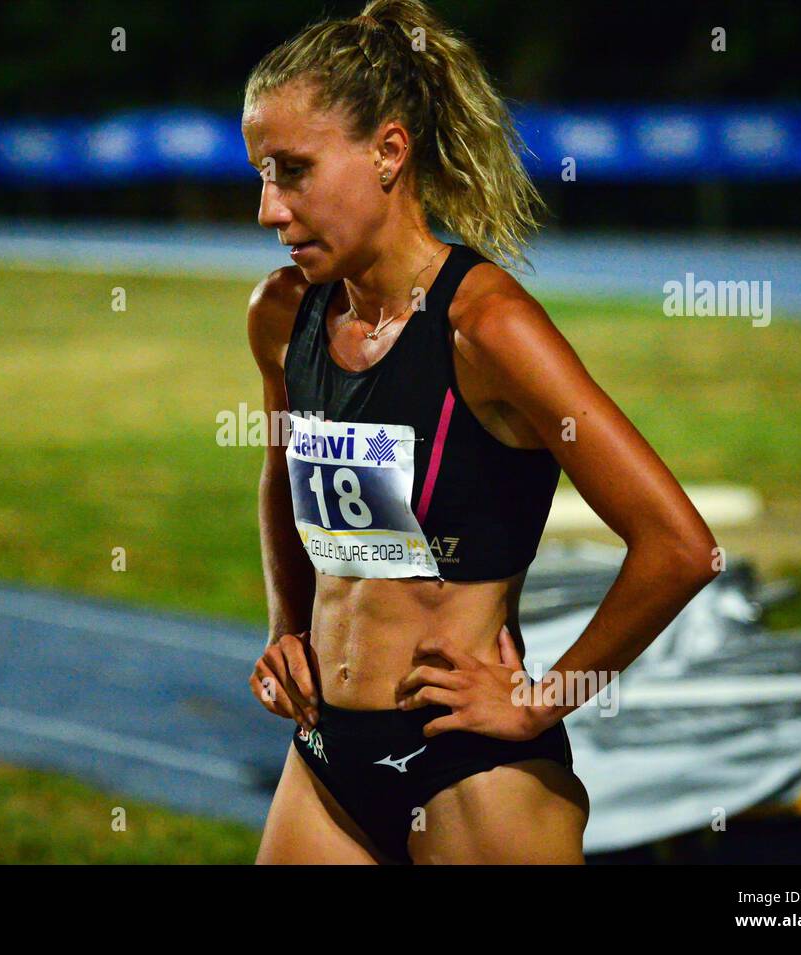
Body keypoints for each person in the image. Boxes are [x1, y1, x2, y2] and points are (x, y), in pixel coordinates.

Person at [244, 0, 719, 864]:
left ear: (389, 152)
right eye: (261, 175)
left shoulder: (489, 328)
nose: (270, 209)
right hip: (323, 765)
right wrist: (287, 622)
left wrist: (543, 700)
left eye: (294, 171)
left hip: (466, 767)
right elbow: (283, 477)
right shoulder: (283, 315)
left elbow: (680, 547)